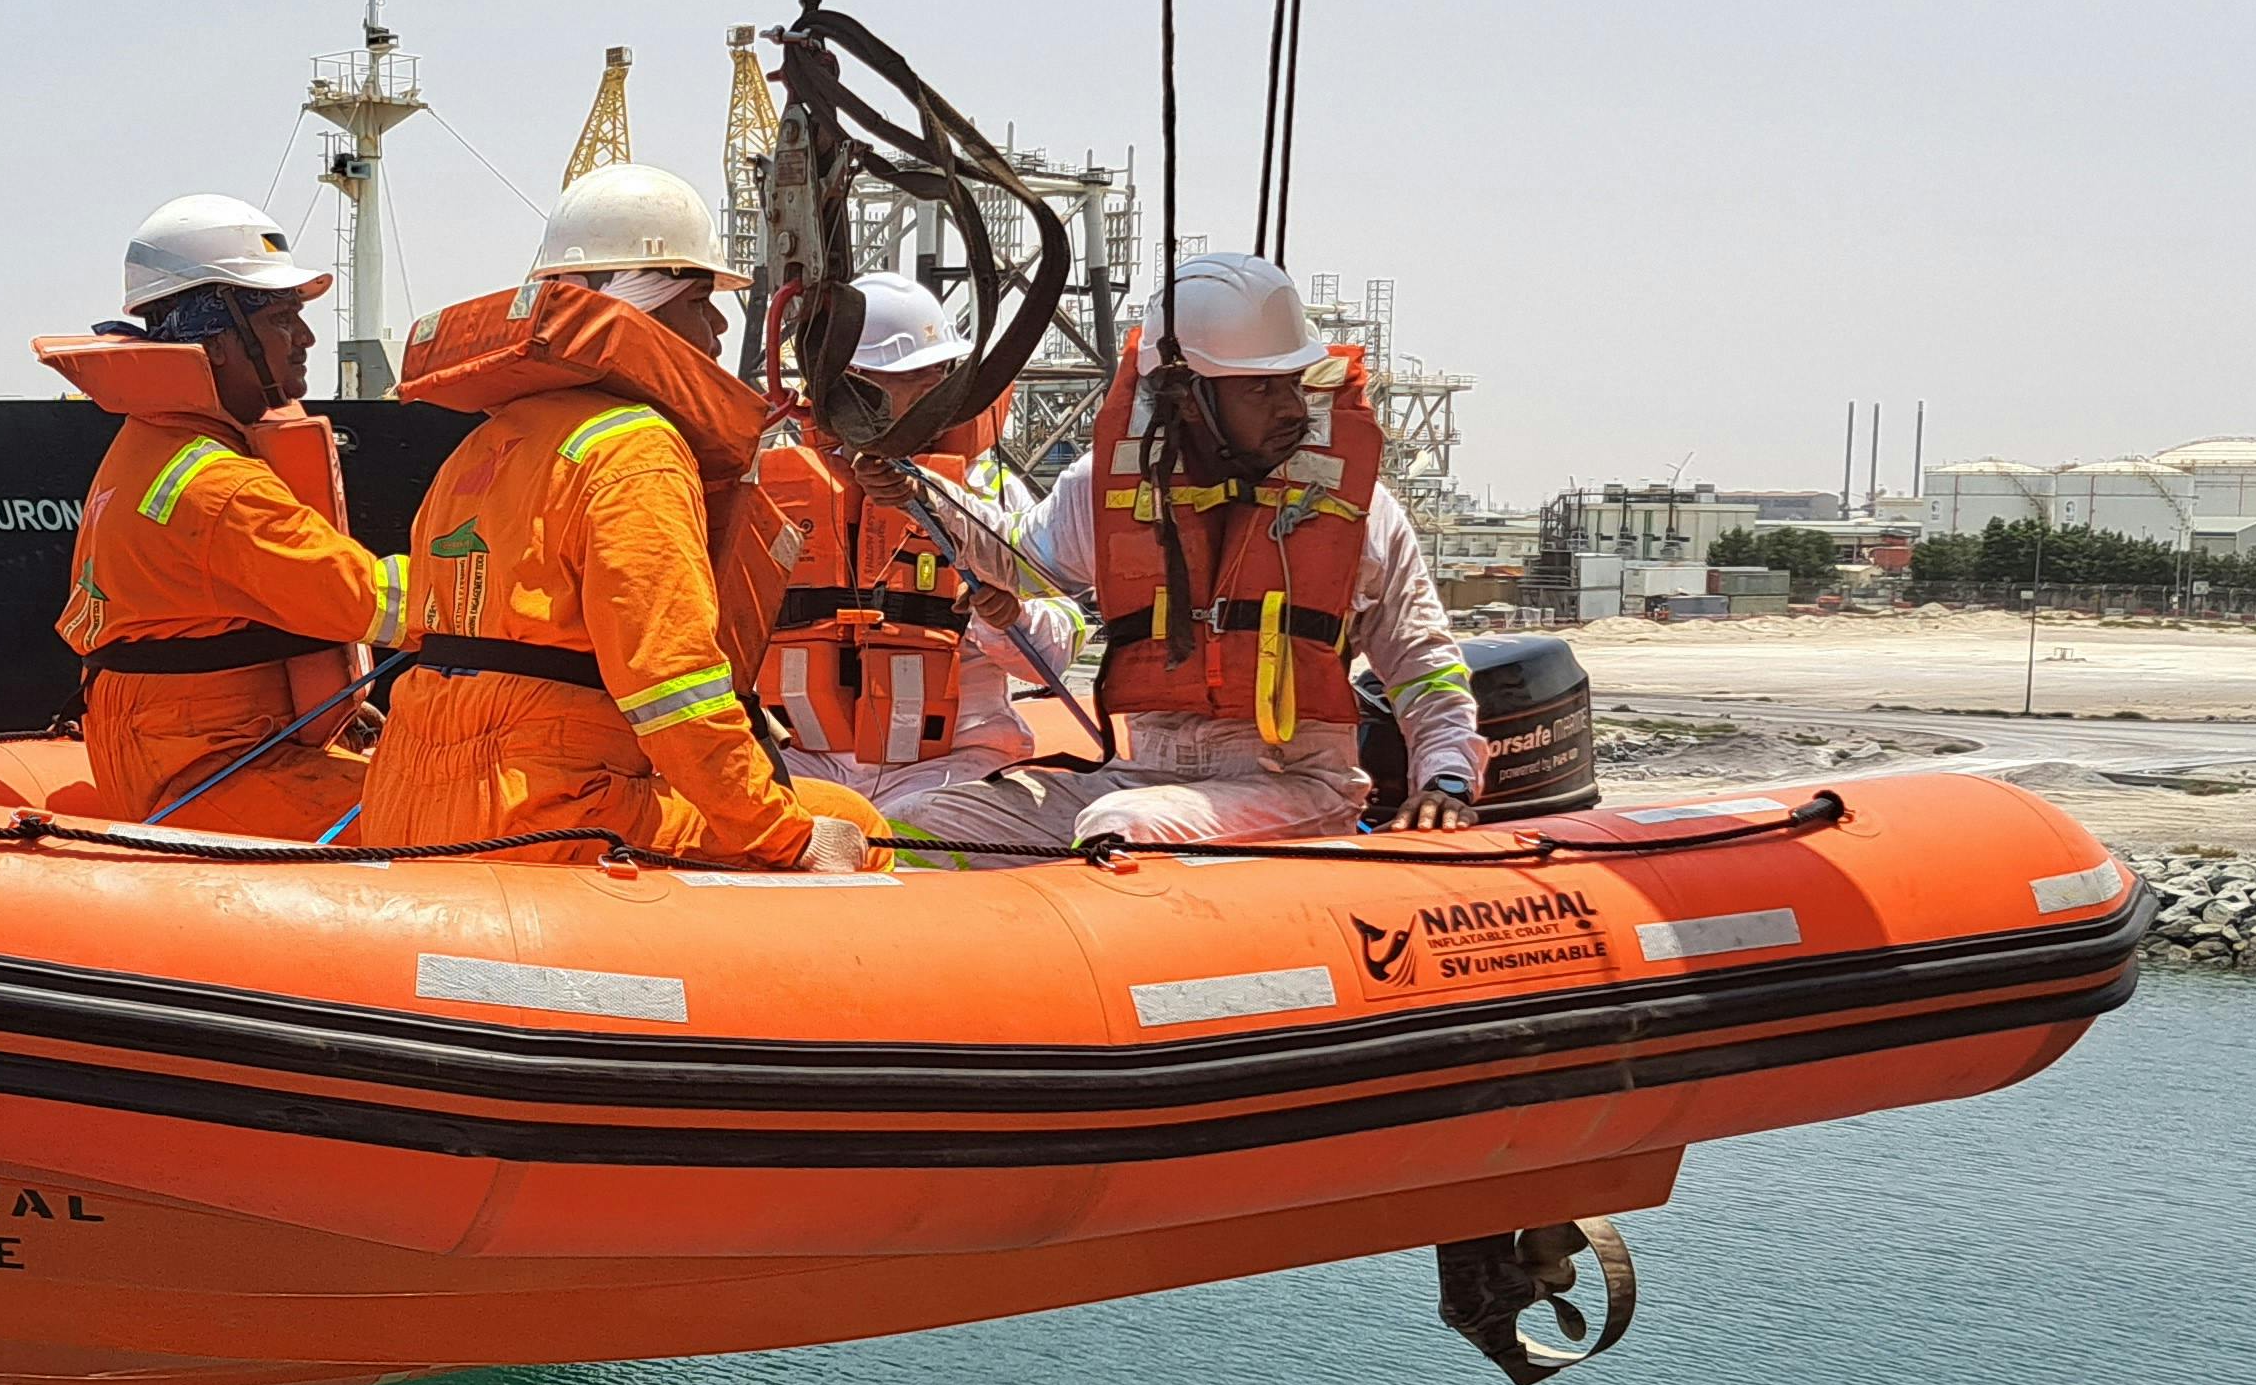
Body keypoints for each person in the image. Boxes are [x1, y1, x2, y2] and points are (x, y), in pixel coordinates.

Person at [358, 162, 875, 873]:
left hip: (407, 807)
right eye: (700, 299)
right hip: (548, 815)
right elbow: (672, 684)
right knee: (856, 824)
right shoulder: (635, 449)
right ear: (642, 309)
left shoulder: (481, 448)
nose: (722, 325)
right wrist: (785, 837)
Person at [879, 251, 1478, 853]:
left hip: (1291, 781)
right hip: (1142, 771)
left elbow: (1423, 662)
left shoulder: (1356, 509)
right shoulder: (1106, 489)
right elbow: (1017, 562)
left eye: (1295, 384)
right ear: (1185, 395)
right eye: (1261, 389)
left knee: (1125, 827)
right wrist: (913, 490)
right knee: (918, 817)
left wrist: (1447, 777)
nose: (1290, 409)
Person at [52, 194, 405, 839]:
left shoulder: (146, 447)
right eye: (281, 317)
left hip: (180, 751)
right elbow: (369, 599)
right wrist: (499, 586)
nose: (305, 337)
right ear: (215, 338)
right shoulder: (217, 487)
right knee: (447, 817)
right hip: (213, 771)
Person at [756, 274, 1041, 807]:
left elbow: (1062, 640)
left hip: (955, 766)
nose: (942, 391)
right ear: (849, 387)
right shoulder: (775, 494)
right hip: (807, 759)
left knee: (914, 827)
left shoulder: (990, 493)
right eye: (917, 375)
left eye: (944, 372)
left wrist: (1010, 619)